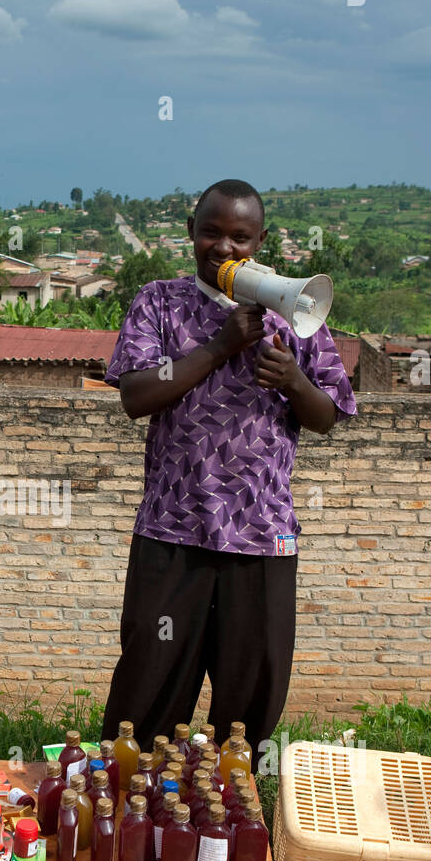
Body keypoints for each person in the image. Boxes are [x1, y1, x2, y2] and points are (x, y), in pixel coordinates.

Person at [101, 180, 356, 764]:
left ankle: (223, 817)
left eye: (239, 237)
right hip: (172, 531)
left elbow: (327, 417)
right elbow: (137, 395)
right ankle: (130, 806)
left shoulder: (297, 315)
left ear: (260, 242)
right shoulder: (158, 302)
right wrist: (218, 347)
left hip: (262, 537)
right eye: (211, 232)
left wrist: (293, 380)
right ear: (192, 233)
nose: (223, 247)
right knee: (148, 682)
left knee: (251, 698)